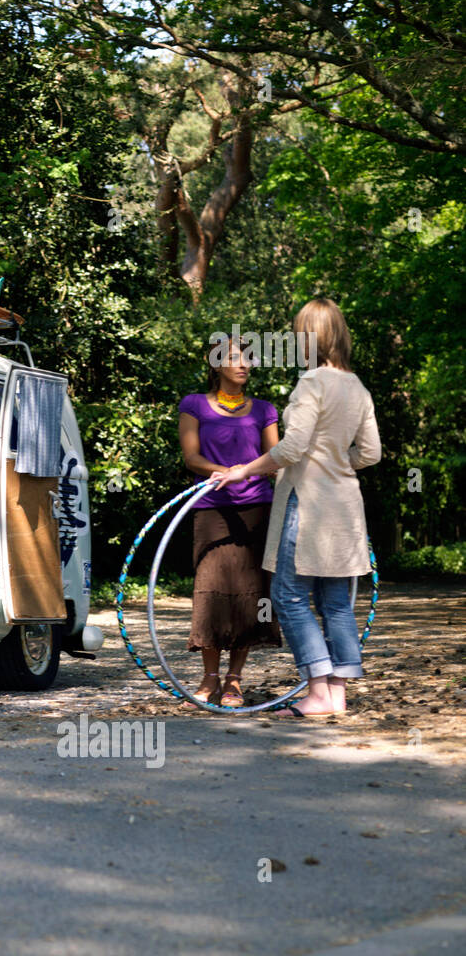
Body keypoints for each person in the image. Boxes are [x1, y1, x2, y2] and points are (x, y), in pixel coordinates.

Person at [212, 298, 381, 718]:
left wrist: (242, 471)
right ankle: (336, 697)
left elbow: (291, 448)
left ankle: (317, 692)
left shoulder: (312, 384)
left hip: (307, 505)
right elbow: (372, 453)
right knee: (337, 603)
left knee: (288, 597)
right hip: (345, 506)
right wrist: (337, 462)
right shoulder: (357, 386)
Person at [177, 337, 282, 707]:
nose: (244, 365)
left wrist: (247, 474)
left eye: (249, 358)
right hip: (210, 507)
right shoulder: (194, 405)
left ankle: (235, 681)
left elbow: (275, 459)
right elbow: (191, 458)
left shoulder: (265, 410)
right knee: (211, 592)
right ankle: (209, 677)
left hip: (256, 509)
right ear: (216, 364)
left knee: (251, 594)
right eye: (235, 358)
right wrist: (225, 472)